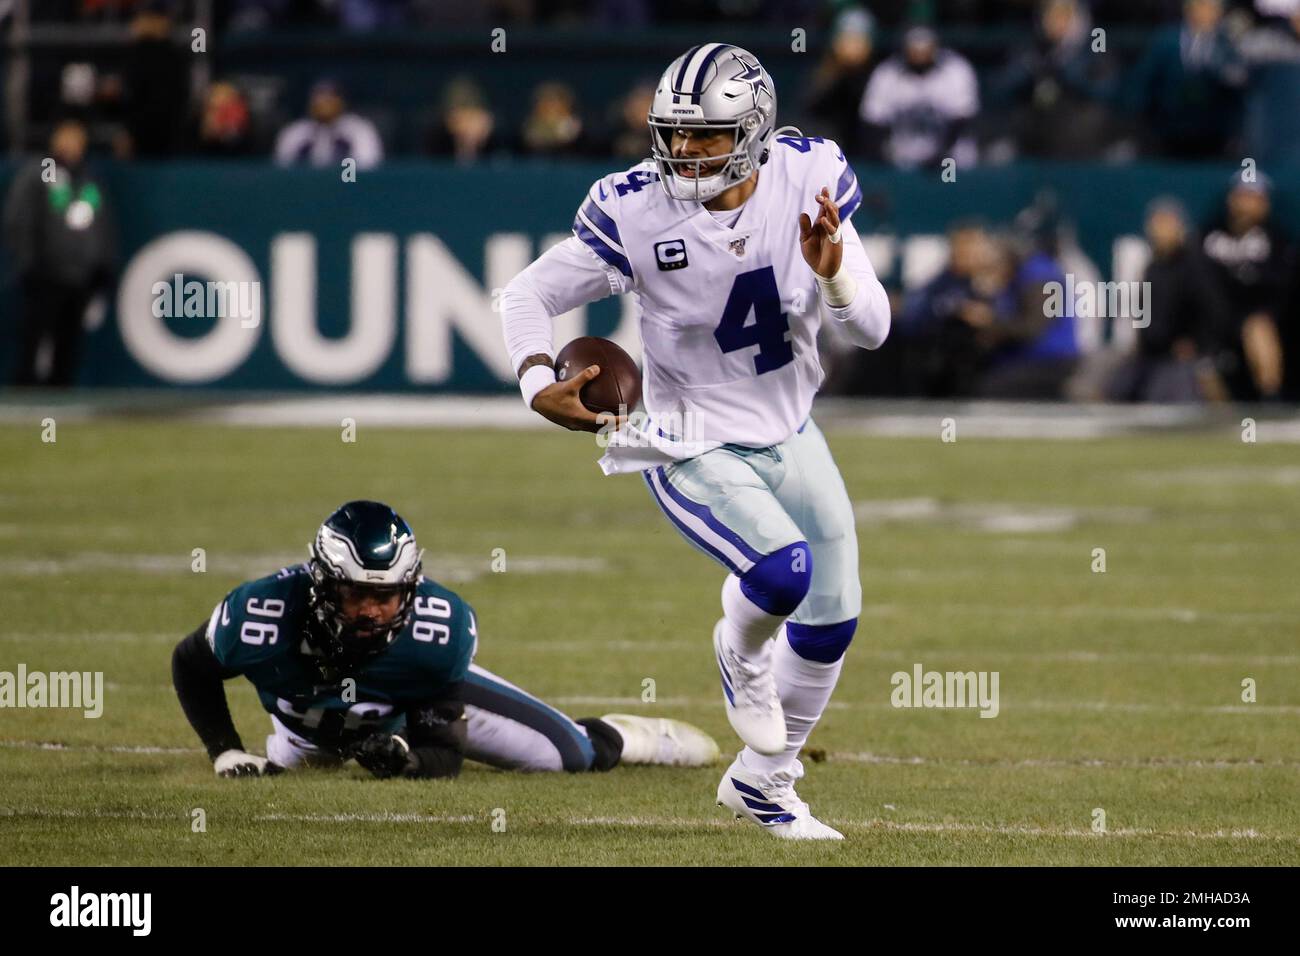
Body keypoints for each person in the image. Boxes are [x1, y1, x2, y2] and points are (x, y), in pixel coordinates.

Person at [500, 44, 890, 839]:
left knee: (833, 614)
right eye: (673, 134)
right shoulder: (635, 207)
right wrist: (535, 379)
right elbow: (529, 291)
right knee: (781, 573)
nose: (684, 152)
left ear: (752, 130)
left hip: (789, 423)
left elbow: (873, 330)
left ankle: (763, 783)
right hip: (685, 435)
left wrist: (834, 272)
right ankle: (739, 654)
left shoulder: (808, 176)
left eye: (705, 137)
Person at [172, 500, 719, 778]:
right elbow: (190, 663)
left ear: (410, 590)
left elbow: (445, 753)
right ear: (321, 584)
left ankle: (628, 736)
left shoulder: (435, 633)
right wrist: (224, 750)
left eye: (386, 596)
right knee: (291, 770)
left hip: (408, 708)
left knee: (569, 755)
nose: (371, 610)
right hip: (304, 732)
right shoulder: (261, 612)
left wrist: (406, 757)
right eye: (355, 592)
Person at [3, 119, 117, 387]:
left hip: (81, 274)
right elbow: (21, 219)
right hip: (46, 270)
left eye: (77, 140)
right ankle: (26, 388)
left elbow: (101, 226)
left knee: (69, 339)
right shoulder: (41, 173)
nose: (72, 146)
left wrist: (102, 266)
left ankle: (60, 389)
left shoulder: (89, 179)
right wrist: (29, 261)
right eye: (67, 139)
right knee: (36, 335)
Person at [1200, 174, 1290, 401]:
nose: (1248, 204)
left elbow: (1279, 289)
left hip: (1257, 319)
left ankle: (1270, 395)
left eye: (1255, 197)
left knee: (1258, 327)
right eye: (1243, 196)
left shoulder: (1276, 240)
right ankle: (1217, 419)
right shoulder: (1211, 235)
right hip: (1212, 320)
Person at [858, 24, 980, 169]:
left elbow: (963, 119)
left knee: (949, 185)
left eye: (924, 50)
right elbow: (873, 120)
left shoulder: (956, 69)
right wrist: (882, 155)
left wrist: (940, 154)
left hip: (950, 161)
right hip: (903, 160)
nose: (919, 55)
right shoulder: (888, 72)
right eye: (915, 50)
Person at [274, 79, 384, 169]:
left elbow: (366, 169)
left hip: (348, 189)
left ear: (341, 100)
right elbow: (283, 171)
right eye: (319, 96)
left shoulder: (359, 130)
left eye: (330, 96)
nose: (324, 102)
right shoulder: (294, 132)